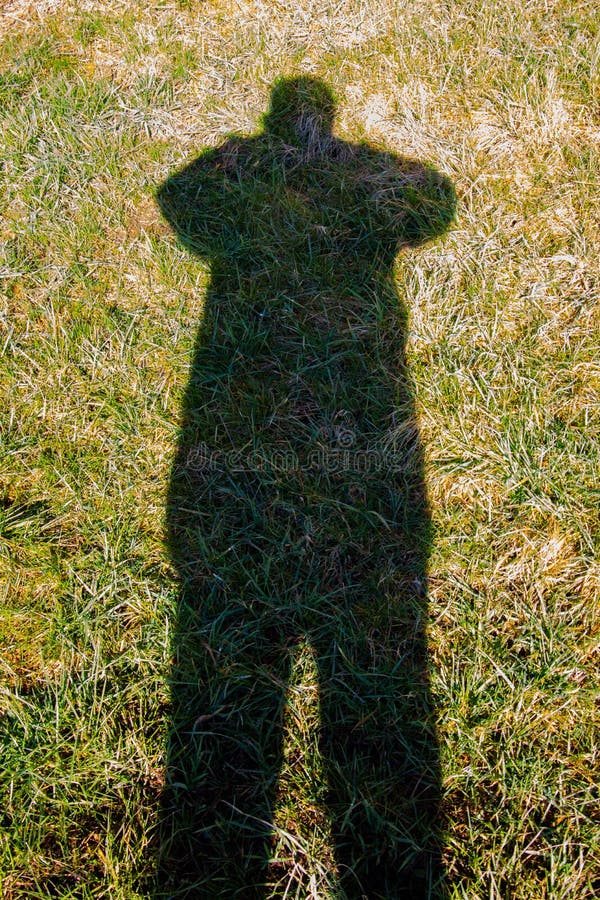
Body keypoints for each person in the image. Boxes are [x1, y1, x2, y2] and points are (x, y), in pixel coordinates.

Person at [155, 76, 455, 898]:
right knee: (379, 684)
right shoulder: (351, 172)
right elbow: (434, 201)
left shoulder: (248, 170)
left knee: (229, 706)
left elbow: (180, 200)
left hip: (242, 455)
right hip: (357, 443)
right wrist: (355, 176)